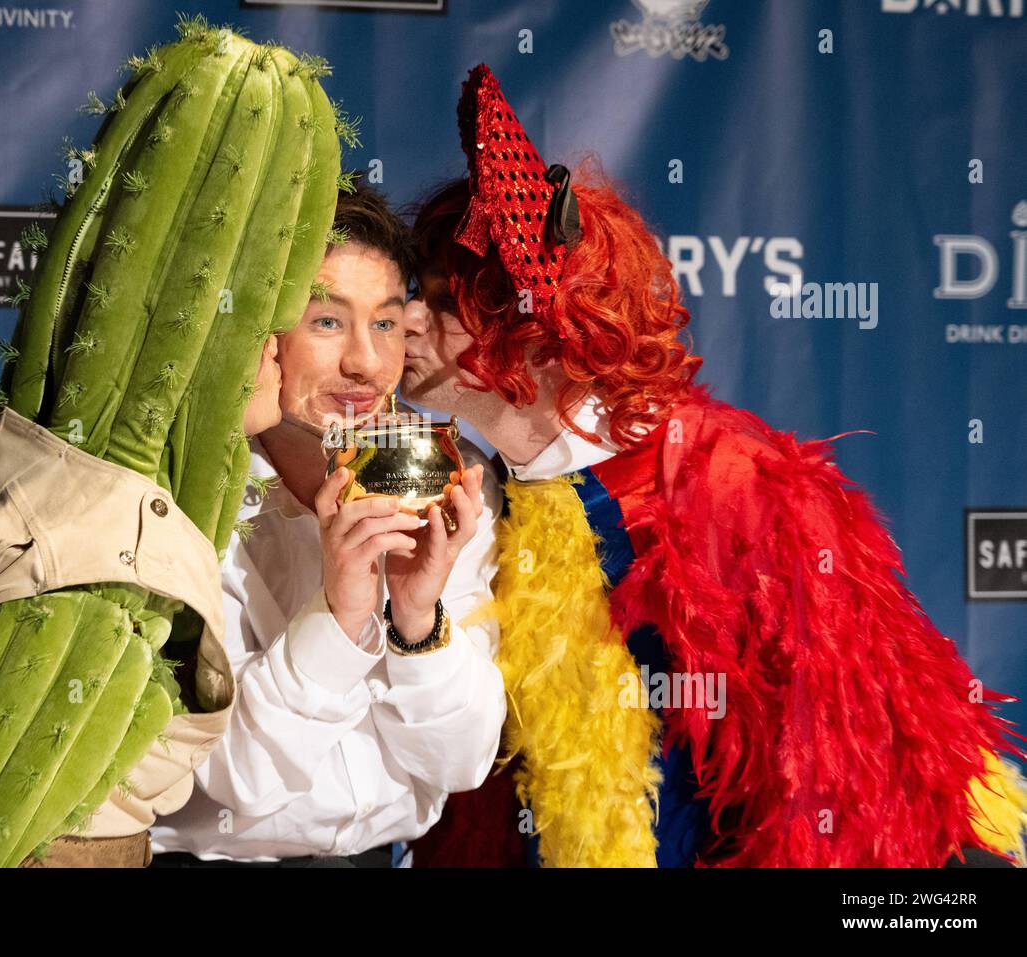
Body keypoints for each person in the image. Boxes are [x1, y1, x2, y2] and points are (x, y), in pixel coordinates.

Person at [401, 64, 1027, 867]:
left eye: (441, 302)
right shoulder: (474, 496)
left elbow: (846, 782)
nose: (402, 322)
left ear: (533, 331)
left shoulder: (731, 484)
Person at [150, 184, 506, 867]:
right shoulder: (177, 497)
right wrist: (340, 618)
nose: (367, 364)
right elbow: (228, 780)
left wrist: (416, 617)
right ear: (256, 327)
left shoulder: (449, 477)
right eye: (326, 321)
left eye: (384, 323)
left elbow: (463, 762)